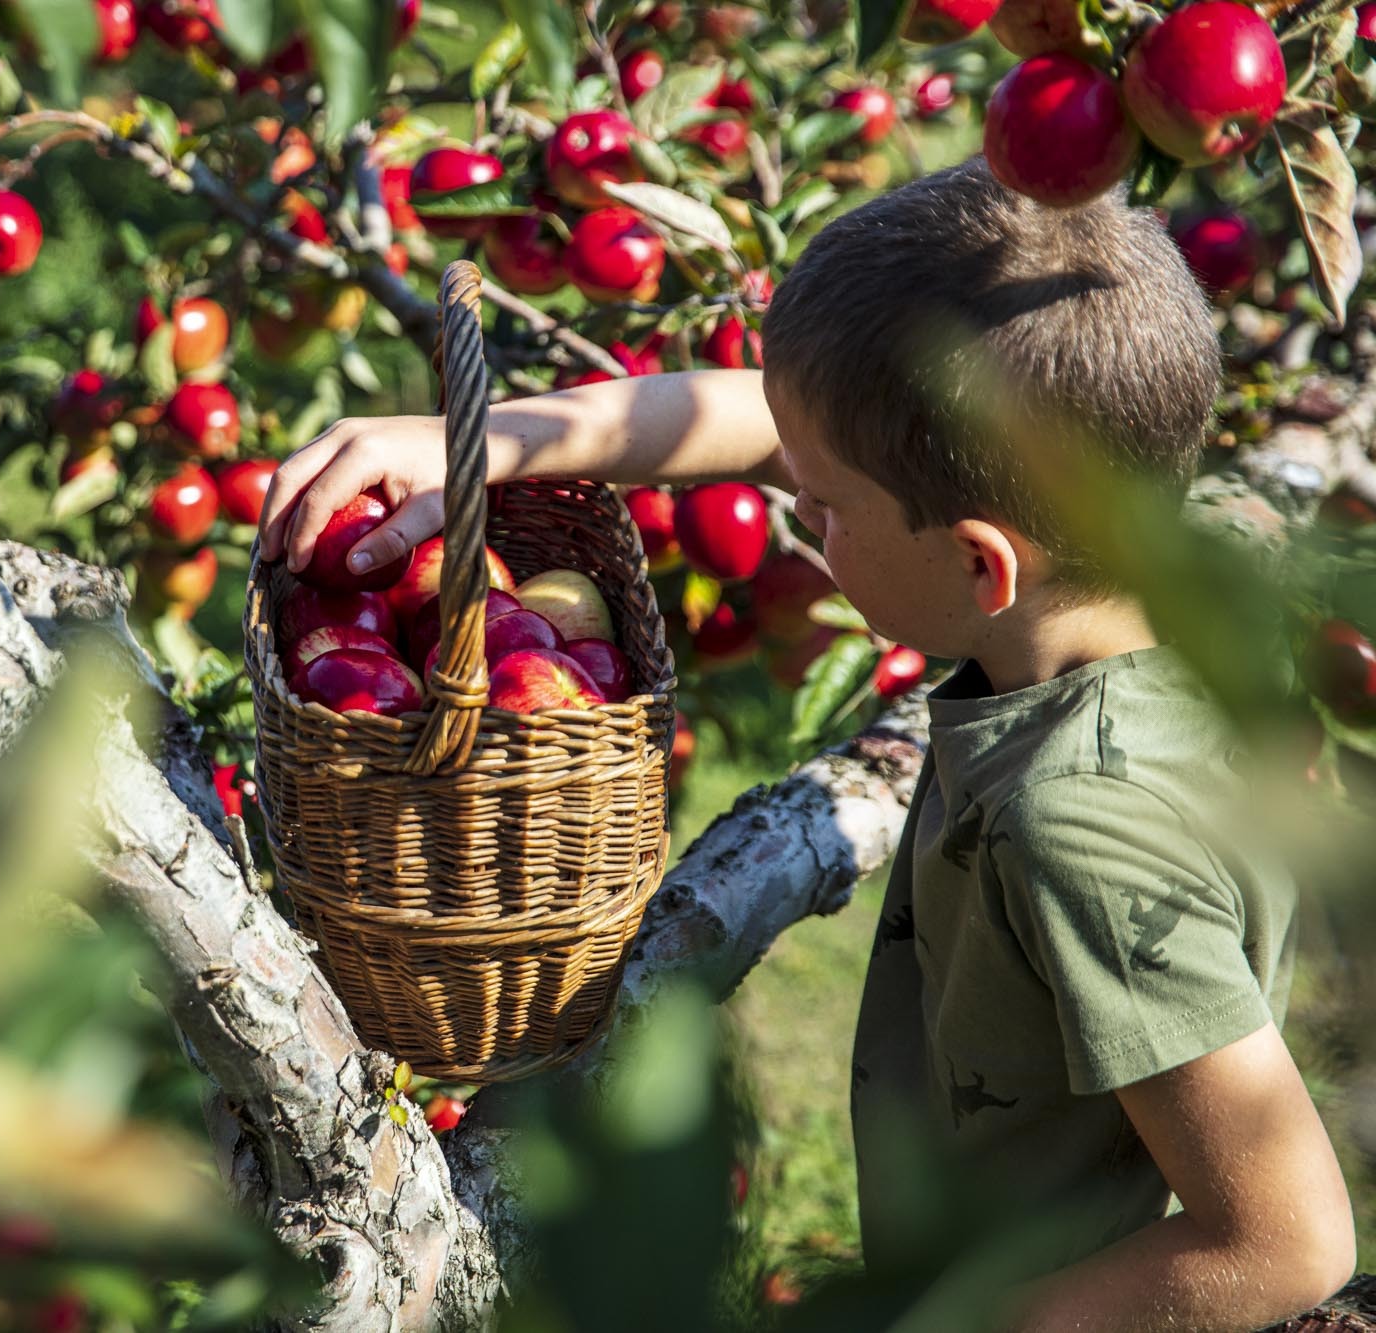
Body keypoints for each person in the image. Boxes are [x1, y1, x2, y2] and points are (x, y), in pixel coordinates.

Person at [253, 158, 1355, 1330]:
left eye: (823, 511)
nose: (796, 509)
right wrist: (481, 442)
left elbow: (1285, 1241)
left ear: (982, 565)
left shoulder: (1080, 823)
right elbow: (767, 419)